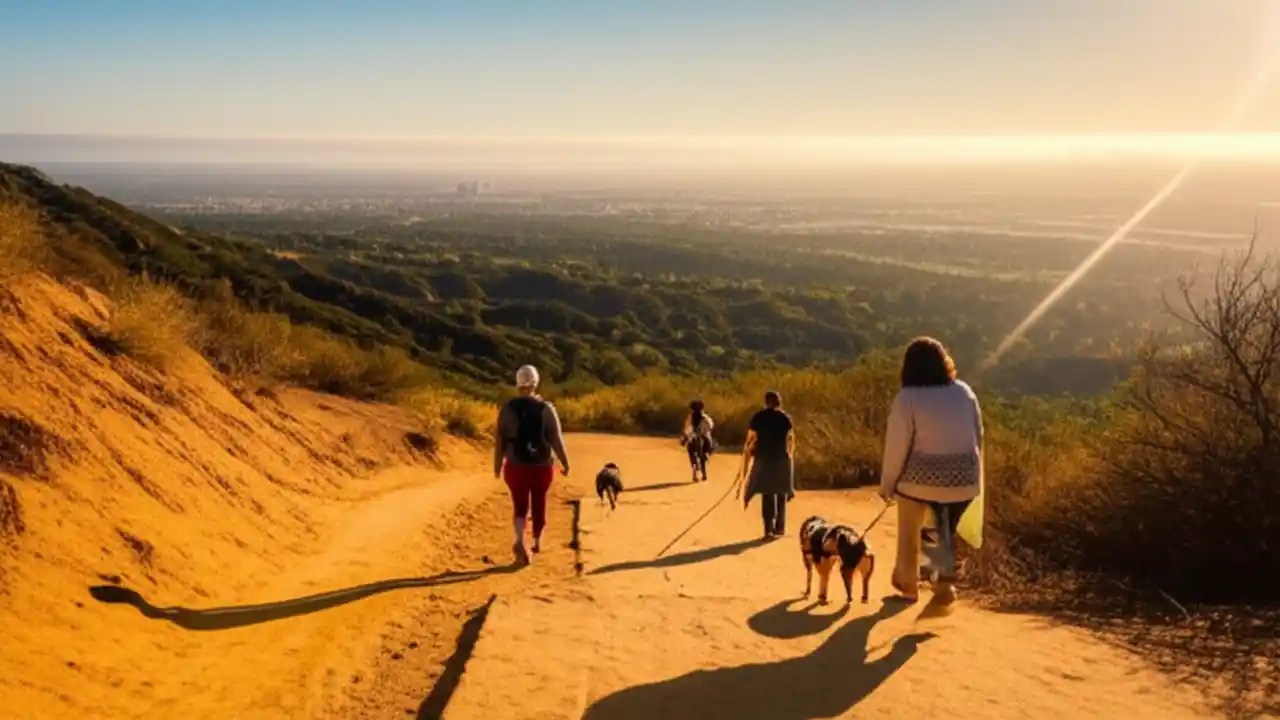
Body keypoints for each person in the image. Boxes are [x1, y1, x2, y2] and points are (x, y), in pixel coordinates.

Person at [878, 337, 983, 606]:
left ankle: (907, 583)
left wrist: (887, 485)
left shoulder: (908, 398)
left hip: (922, 481)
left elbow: (897, 446)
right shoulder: (964, 391)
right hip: (964, 478)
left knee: (910, 530)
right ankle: (943, 584)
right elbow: (978, 434)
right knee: (942, 527)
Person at [493, 365, 570, 566]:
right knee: (539, 502)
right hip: (541, 466)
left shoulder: (508, 408)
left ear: (518, 384)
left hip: (515, 466)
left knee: (519, 505)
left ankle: (520, 539)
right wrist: (565, 461)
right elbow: (556, 438)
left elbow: (500, 439)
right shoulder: (546, 409)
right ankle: (536, 542)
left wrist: (497, 464)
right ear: (536, 383)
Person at [741, 390, 795, 539]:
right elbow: (790, 440)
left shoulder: (758, 417)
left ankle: (768, 530)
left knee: (767, 493)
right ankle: (780, 527)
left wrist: (748, 453)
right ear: (779, 401)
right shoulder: (785, 418)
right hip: (782, 459)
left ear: (766, 402)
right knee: (781, 492)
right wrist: (789, 457)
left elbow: (751, 438)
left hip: (764, 459)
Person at [681, 399, 716, 482]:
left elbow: (687, 429)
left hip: (694, 436)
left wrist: (685, 437)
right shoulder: (705, 417)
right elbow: (711, 426)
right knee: (708, 447)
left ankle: (695, 474)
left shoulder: (691, 417)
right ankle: (704, 472)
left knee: (692, 455)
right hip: (702, 436)